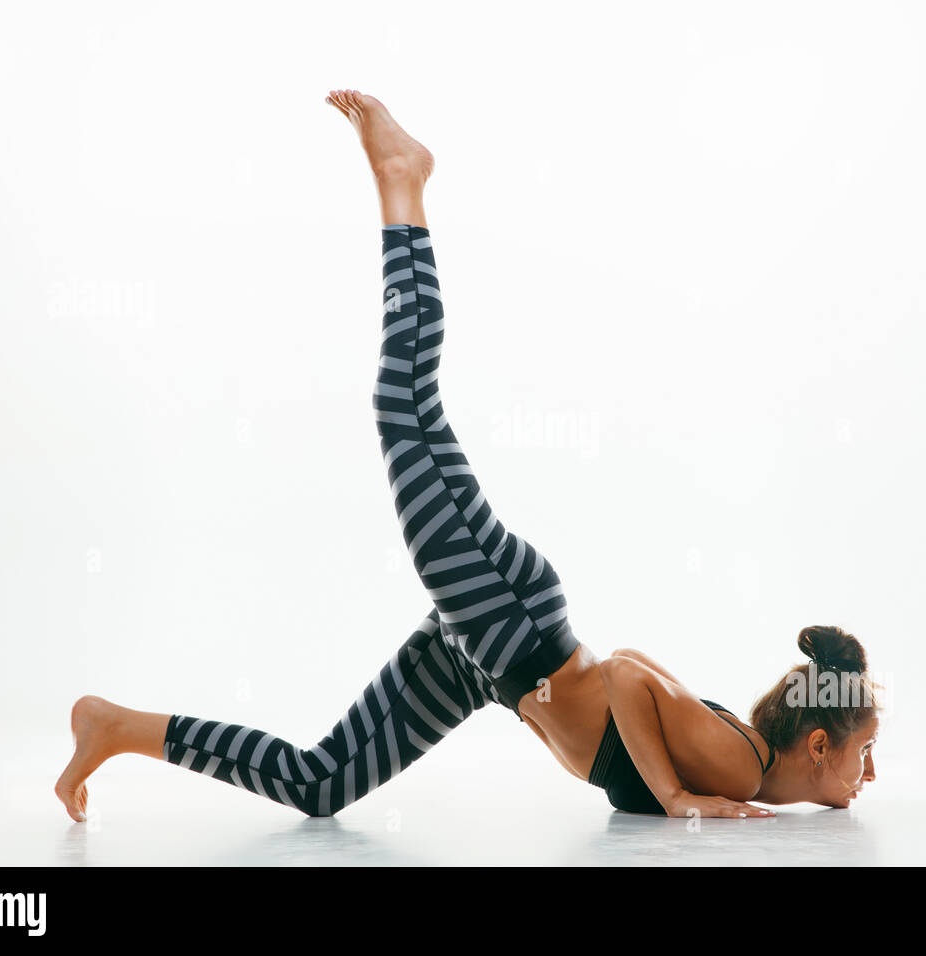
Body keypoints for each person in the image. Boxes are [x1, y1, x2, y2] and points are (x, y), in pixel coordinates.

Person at [54, 90, 881, 823]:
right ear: (818, 745)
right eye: (865, 751)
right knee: (402, 411)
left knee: (322, 782)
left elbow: (635, 682)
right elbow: (627, 675)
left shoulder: (742, 767)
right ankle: (403, 184)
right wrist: (673, 797)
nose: (870, 773)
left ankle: (114, 726)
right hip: (511, 623)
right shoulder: (740, 764)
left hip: (491, 663)